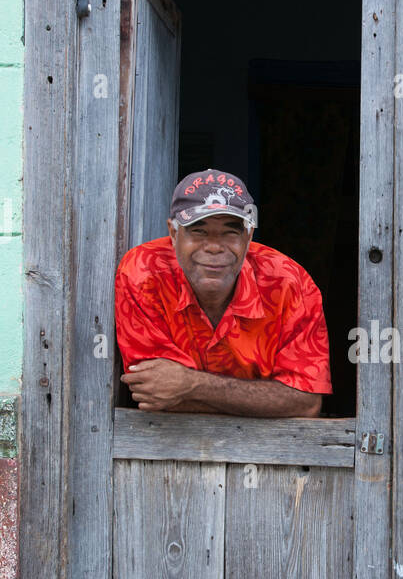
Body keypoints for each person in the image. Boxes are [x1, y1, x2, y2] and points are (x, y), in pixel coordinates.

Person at [114, 169, 331, 417]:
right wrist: (264, 400)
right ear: (174, 234)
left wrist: (190, 384)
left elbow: (306, 403)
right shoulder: (143, 273)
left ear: (248, 235)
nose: (215, 246)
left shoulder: (289, 283)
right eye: (198, 230)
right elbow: (154, 393)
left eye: (231, 231)